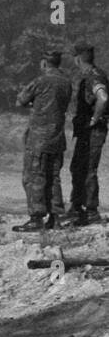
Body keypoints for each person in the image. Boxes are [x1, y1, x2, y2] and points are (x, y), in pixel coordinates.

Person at [14, 49, 73, 232]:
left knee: (34, 177)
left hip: (39, 138)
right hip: (57, 137)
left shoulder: (40, 82)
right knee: (54, 178)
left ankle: (36, 218)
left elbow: (21, 101)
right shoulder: (66, 82)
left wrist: (35, 104)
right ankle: (55, 218)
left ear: (44, 63)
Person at [67, 41, 109, 227]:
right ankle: (77, 207)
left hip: (92, 130)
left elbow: (103, 97)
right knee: (78, 167)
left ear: (77, 58)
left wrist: (94, 119)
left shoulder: (93, 76)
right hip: (86, 130)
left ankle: (91, 210)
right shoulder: (91, 74)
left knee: (88, 169)